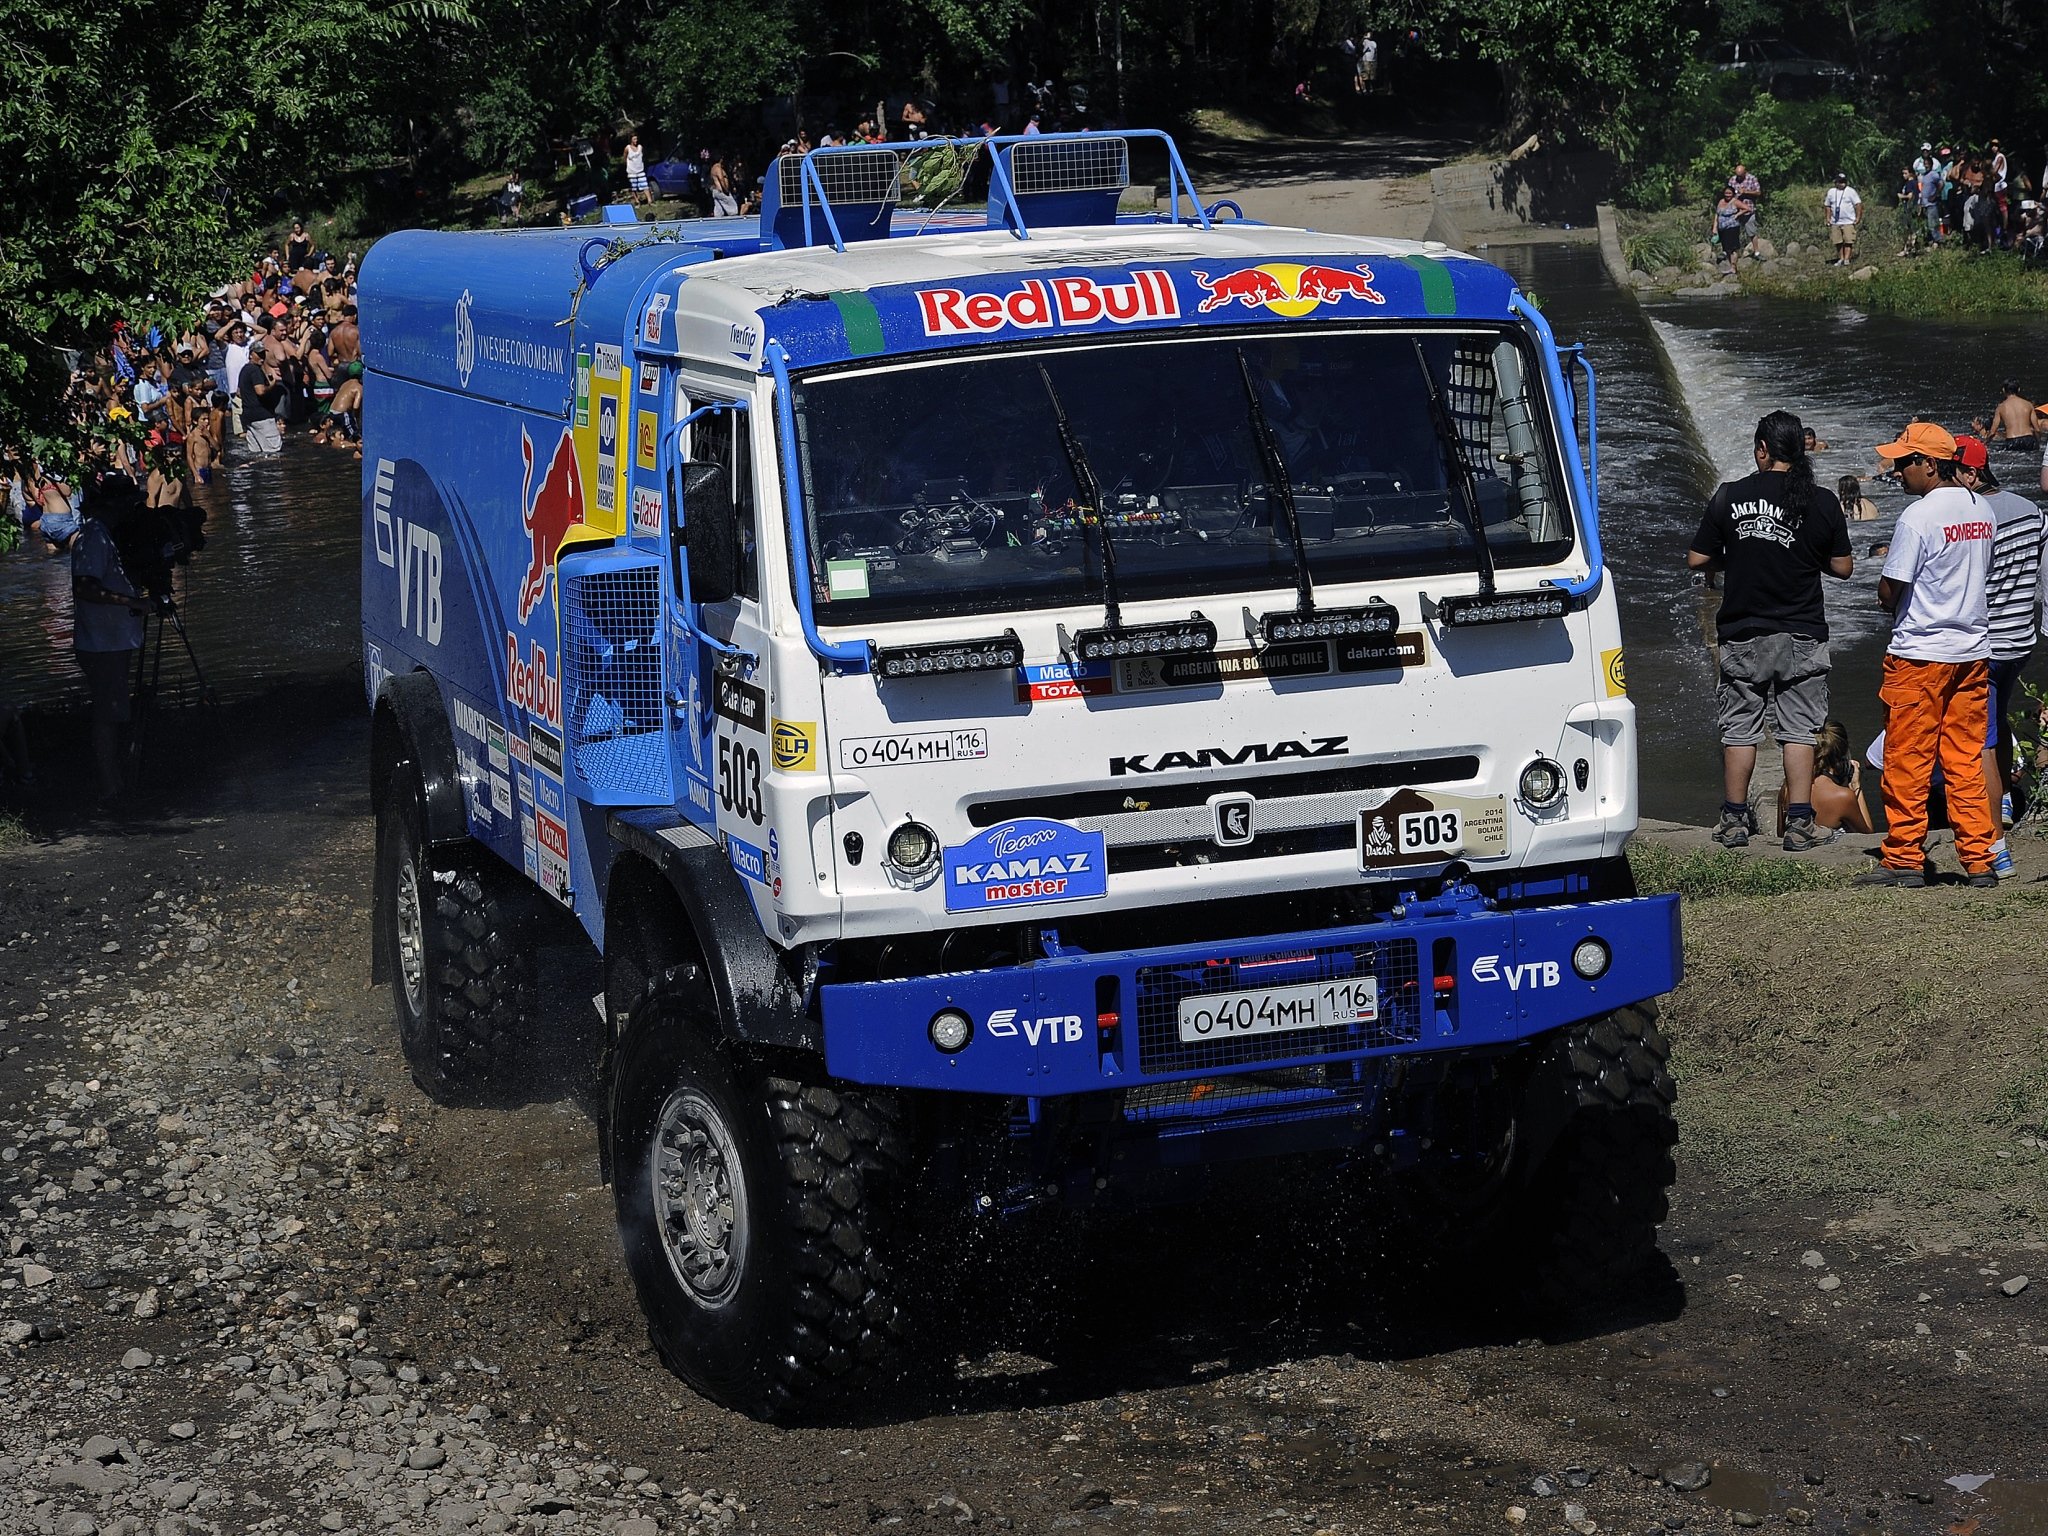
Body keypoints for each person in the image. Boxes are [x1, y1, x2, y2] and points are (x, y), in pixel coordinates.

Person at [1687, 410, 1855, 850]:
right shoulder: (1821, 501)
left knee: (1740, 728)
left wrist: (1738, 556)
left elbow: (1697, 559)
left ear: (1762, 450)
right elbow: (1843, 567)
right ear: (1800, 452)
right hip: (1802, 632)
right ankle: (1800, 824)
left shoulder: (1730, 496)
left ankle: (1734, 821)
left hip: (1744, 631)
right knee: (1799, 730)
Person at [1859, 422, 1999, 888]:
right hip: (1971, 651)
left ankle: (1903, 857)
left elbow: (1889, 589)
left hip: (1919, 654)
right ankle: (1980, 859)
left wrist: (1886, 593)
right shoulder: (1982, 509)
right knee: (1964, 759)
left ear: (1931, 465)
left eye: (1905, 463)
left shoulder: (1918, 518)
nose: (1897, 472)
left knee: (1907, 760)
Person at [1954, 435, 2043, 874]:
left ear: (1972, 473)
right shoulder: (2032, 511)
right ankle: (2006, 802)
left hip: (1987, 643)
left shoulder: (1973, 516)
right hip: (2022, 640)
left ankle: (1995, 845)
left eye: (1955, 472)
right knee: (2000, 720)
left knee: (1981, 742)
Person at [71, 474, 150, 806]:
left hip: (114, 640)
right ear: (114, 504)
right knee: (108, 713)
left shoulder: (107, 535)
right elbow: (84, 587)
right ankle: (110, 786)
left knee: (116, 710)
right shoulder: (93, 537)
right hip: (101, 643)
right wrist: (130, 602)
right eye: (128, 502)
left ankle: (117, 780)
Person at [1774, 720, 1873, 840]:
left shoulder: (1787, 789)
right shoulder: (1843, 796)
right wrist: (1857, 786)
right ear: (1842, 756)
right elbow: (1868, 836)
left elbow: (1780, 834)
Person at [238, 337, 285, 456]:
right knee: (274, 451)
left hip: (248, 415)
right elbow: (260, 391)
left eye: (263, 353)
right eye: (258, 354)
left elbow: (239, 392)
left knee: (256, 453)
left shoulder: (244, 370)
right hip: (261, 416)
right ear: (251, 354)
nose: (262, 356)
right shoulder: (254, 370)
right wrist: (272, 385)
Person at [1973, 382, 2038, 453]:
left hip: (2012, 441)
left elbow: (1993, 432)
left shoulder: (2001, 407)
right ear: (2019, 390)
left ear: (2003, 390)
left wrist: (1985, 443)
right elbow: (2037, 429)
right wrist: (2037, 442)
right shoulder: (2028, 405)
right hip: (2029, 440)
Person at [1824, 173, 1862, 266]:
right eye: (1840, 182)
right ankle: (1841, 258)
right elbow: (1827, 205)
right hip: (1835, 221)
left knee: (1848, 240)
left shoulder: (1851, 191)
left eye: (1843, 182)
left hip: (1848, 221)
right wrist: (1828, 218)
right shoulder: (1831, 192)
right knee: (1838, 241)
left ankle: (1847, 259)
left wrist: (1858, 218)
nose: (1842, 184)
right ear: (1836, 182)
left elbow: (1858, 205)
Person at [1711, 184, 1747, 273]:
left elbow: (1747, 208)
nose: (1727, 195)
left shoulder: (1735, 202)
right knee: (1726, 248)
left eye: (1729, 193)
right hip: (1722, 228)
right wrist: (1715, 227)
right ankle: (1731, 266)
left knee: (1733, 248)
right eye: (1726, 193)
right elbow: (1717, 214)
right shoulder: (1721, 201)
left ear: (1732, 194)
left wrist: (1737, 214)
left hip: (1732, 227)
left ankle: (1733, 267)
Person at [1731, 163, 1763, 259]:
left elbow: (1758, 192)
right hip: (1735, 210)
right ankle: (1732, 252)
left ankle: (1757, 252)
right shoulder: (1733, 180)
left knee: (1751, 232)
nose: (1739, 177)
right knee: (1732, 232)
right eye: (1737, 175)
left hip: (1748, 209)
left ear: (1745, 172)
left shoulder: (1752, 179)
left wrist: (1746, 192)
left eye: (1740, 175)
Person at [623, 132, 649, 206]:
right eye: (634, 139)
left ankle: (649, 201)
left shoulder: (640, 147)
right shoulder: (627, 148)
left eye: (636, 139)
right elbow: (624, 158)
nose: (636, 140)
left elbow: (643, 156)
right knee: (634, 188)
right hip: (632, 171)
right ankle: (637, 201)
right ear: (631, 140)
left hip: (640, 170)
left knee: (645, 186)